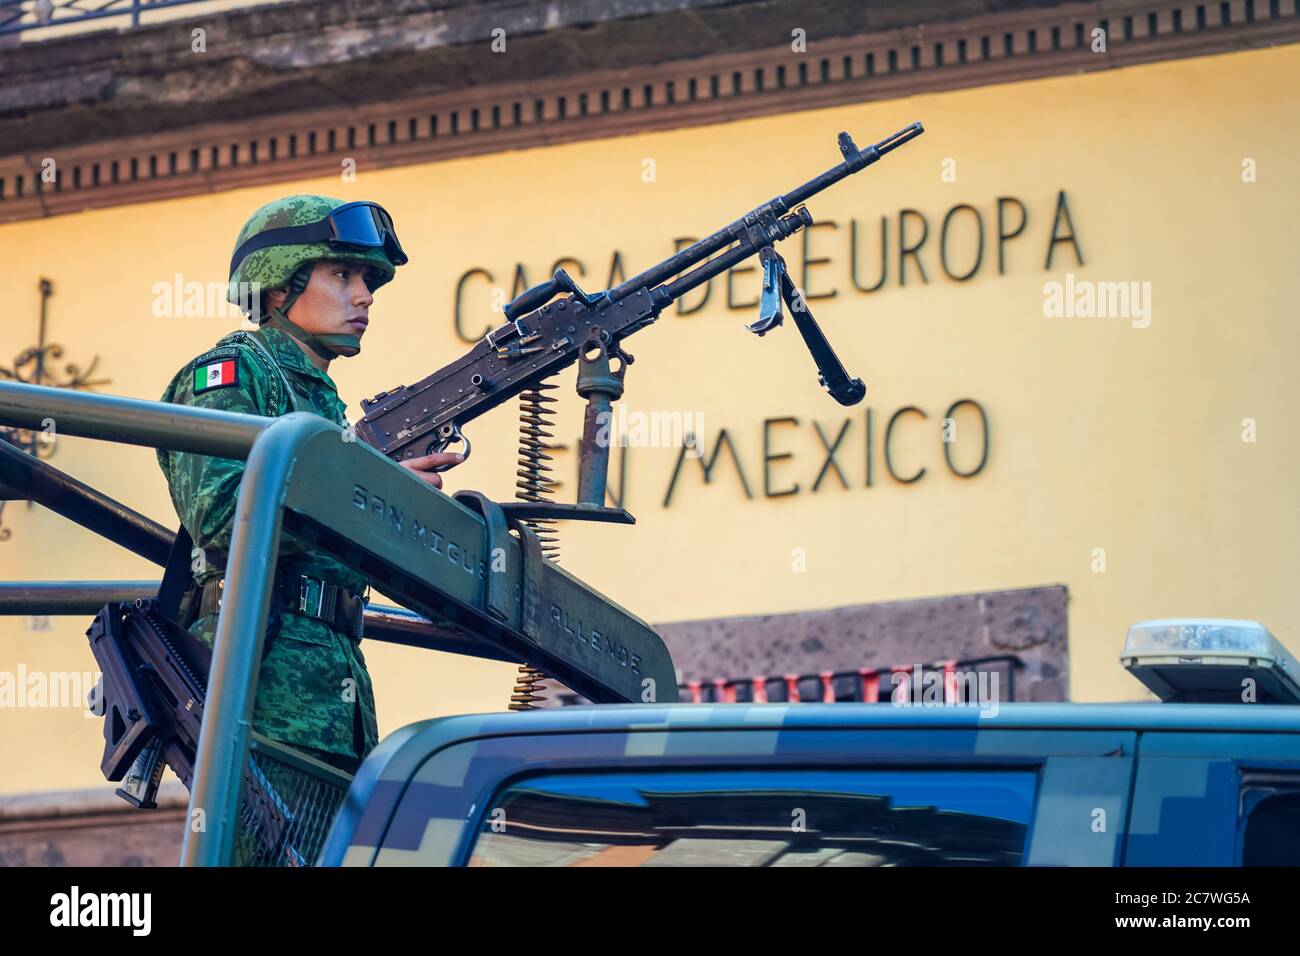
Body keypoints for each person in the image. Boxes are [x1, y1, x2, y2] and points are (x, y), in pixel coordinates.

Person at [156, 194, 460, 863]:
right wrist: (370, 488)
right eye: (342, 276)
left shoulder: (325, 408)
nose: (365, 297)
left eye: (369, 281)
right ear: (279, 282)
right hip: (263, 701)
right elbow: (223, 518)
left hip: (337, 711)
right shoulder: (231, 377)